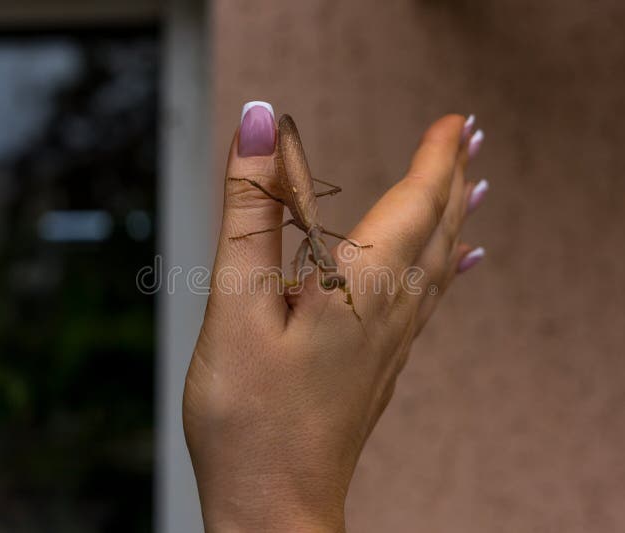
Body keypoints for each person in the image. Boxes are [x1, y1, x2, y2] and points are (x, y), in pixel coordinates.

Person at [183, 101, 487, 532]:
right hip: (305, 211)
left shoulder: (317, 247)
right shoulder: (316, 238)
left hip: (306, 218)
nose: (332, 281)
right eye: (335, 282)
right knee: (293, 213)